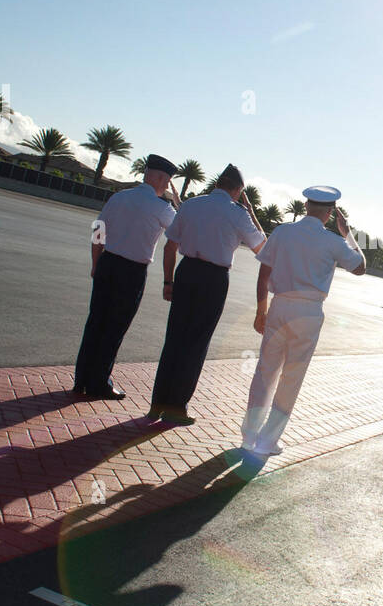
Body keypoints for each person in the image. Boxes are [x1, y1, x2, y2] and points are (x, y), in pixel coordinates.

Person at [240, 186, 366, 457]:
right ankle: (267, 441)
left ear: (306, 206)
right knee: (292, 378)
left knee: (265, 372)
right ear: (331, 213)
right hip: (308, 312)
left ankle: (249, 436)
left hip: (279, 305)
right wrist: (348, 233)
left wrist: (261, 311)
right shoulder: (333, 241)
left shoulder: (284, 232)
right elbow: (360, 268)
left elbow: (264, 274)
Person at [149, 164, 265, 425]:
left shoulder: (191, 205)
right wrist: (252, 214)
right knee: (196, 342)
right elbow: (263, 250)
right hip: (213, 278)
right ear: (238, 190)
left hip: (186, 271)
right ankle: (176, 407)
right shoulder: (238, 213)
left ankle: (157, 404)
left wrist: (168, 281)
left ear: (217, 184)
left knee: (175, 338)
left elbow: (170, 247)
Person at [74, 154, 180, 400]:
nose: (166, 187)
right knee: (115, 327)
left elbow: (98, 229)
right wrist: (177, 204)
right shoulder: (162, 208)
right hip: (132, 271)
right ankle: (99, 382)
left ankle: (81, 380)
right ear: (161, 178)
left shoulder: (119, 197)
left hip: (107, 263)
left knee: (95, 322)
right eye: (167, 182)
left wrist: (95, 263)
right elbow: (181, 232)